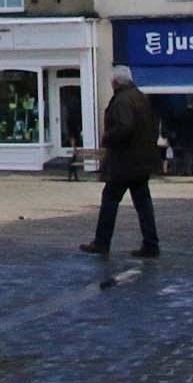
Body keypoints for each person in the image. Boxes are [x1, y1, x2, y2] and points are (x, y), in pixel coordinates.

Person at [80, 65, 161, 258]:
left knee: (110, 199)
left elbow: (124, 126)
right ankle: (151, 244)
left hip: (125, 162)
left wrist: (107, 138)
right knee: (143, 203)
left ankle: (102, 242)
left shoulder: (123, 100)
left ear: (115, 82)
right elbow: (152, 126)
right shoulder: (140, 97)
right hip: (141, 160)